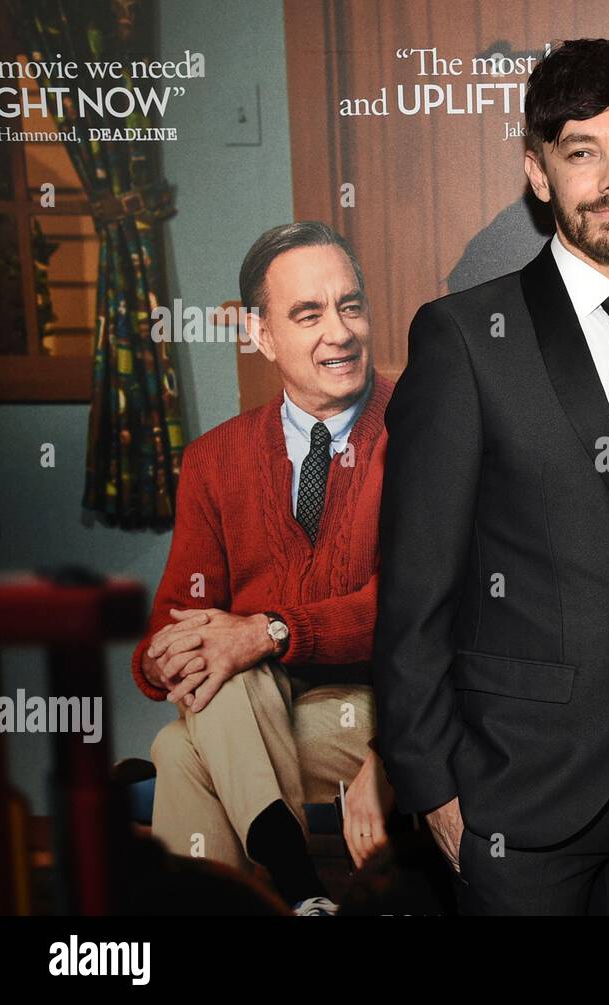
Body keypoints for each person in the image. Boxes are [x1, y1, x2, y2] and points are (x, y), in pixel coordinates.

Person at [373, 38, 609, 915]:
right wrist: (430, 784)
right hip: (518, 796)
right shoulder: (464, 339)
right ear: (539, 173)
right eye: (583, 151)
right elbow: (416, 585)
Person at [132, 222, 396, 915]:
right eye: (308, 313)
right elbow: (178, 614)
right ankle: (304, 894)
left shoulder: (421, 424)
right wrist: (169, 655)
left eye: (350, 304)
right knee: (214, 684)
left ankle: (288, 884)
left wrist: (268, 631)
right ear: (260, 335)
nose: (339, 332)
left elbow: (412, 607)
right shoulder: (215, 458)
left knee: (179, 747)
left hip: (375, 716)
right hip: (250, 714)